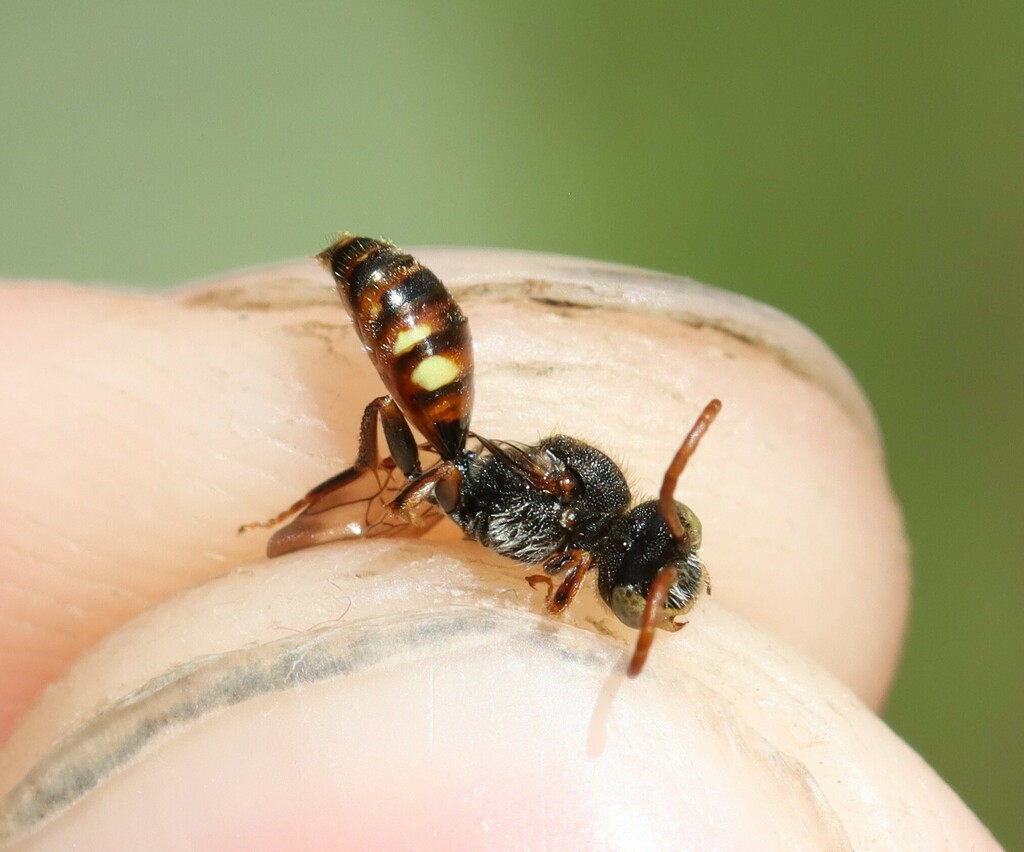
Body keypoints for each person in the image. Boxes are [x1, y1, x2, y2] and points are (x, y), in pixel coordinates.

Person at [0, 251, 997, 848]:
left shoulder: (577, 535)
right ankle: (334, 496)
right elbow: (482, 489)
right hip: (425, 367)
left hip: (446, 421)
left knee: (423, 466)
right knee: (415, 456)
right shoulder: (569, 519)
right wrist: (399, 500)